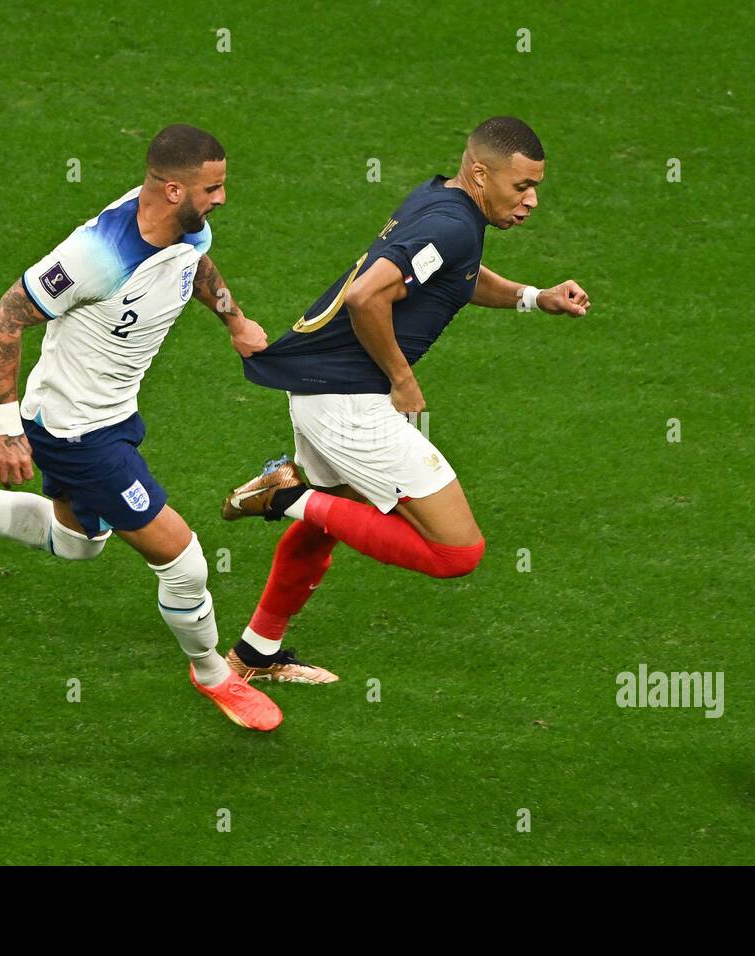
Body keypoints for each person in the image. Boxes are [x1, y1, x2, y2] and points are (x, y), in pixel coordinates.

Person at [0, 124, 283, 731]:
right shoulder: (93, 255)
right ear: (173, 189)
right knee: (183, 562)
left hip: (113, 415)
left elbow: (195, 264)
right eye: (214, 187)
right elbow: (5, 319)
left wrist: (233, 318)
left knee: (77, 542)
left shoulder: (185, 224)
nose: (222, 198)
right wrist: (6, 431)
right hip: (78, 432)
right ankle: (213, 674)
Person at [221, 117, 590, 685]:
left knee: (326, 525)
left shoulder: (445, 200)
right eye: (522, 187)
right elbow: (368, 295)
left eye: (536, 187)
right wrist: (401, 377)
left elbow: (456, 277)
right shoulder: (453, 224)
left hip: (322, 389)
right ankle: (281, 495)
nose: (533, 200)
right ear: (481, 172)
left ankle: (255, 654)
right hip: (349, 401)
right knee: (456, 552)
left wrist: (534, 298)